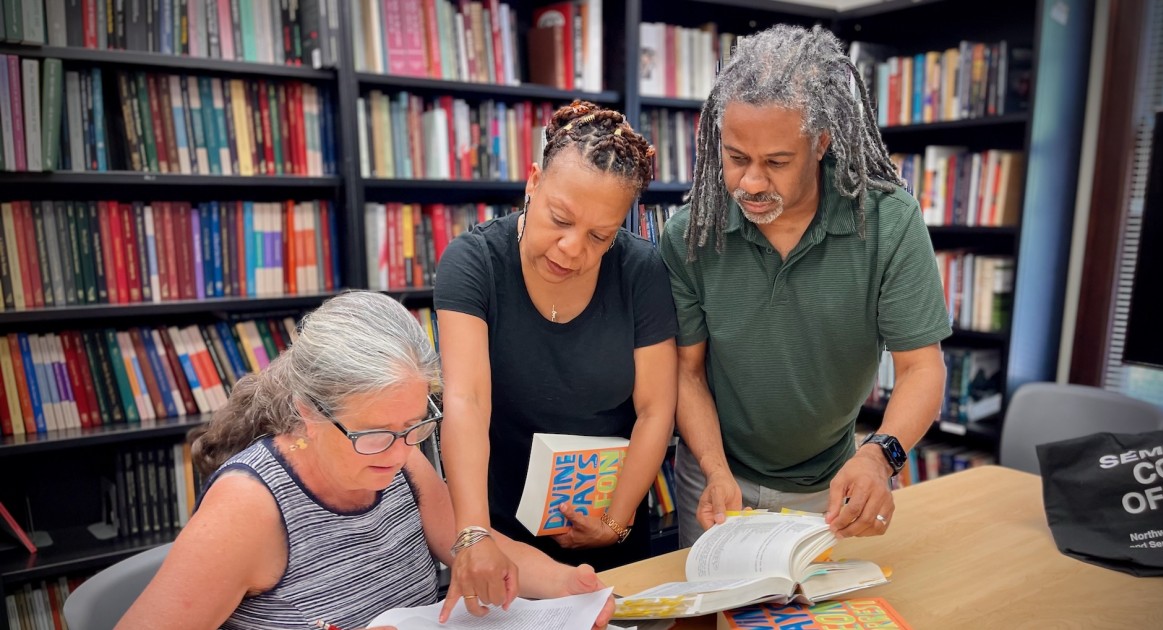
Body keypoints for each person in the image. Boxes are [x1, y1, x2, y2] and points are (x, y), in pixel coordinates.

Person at [115, 291, 615, 630]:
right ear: (308, 410)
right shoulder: (249, 509)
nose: (401, 453)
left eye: (415, 427)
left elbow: (473, 545)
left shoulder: (398, 461)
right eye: (375, 434)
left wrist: (566, 586)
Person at [658, 24, 952, 548]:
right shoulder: (690, 234)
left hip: (831, 486)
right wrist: (712, 467)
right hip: (714, 477)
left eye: (775, 162)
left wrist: (880, 456)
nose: (749, 183)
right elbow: (687, 372)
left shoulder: (890, 223)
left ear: (821, 141)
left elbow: (921, 368)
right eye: (735, 157)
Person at [434, 101, 678, 613]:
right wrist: (474, 533)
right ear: (533, 182)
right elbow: (466, 401)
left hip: (614, 531)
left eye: (600, 236)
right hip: (502, 543)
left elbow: (656, 409)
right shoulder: (473, 263)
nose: (572, 249)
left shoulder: (641, 271)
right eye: (560, 219)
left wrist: (615, 521)